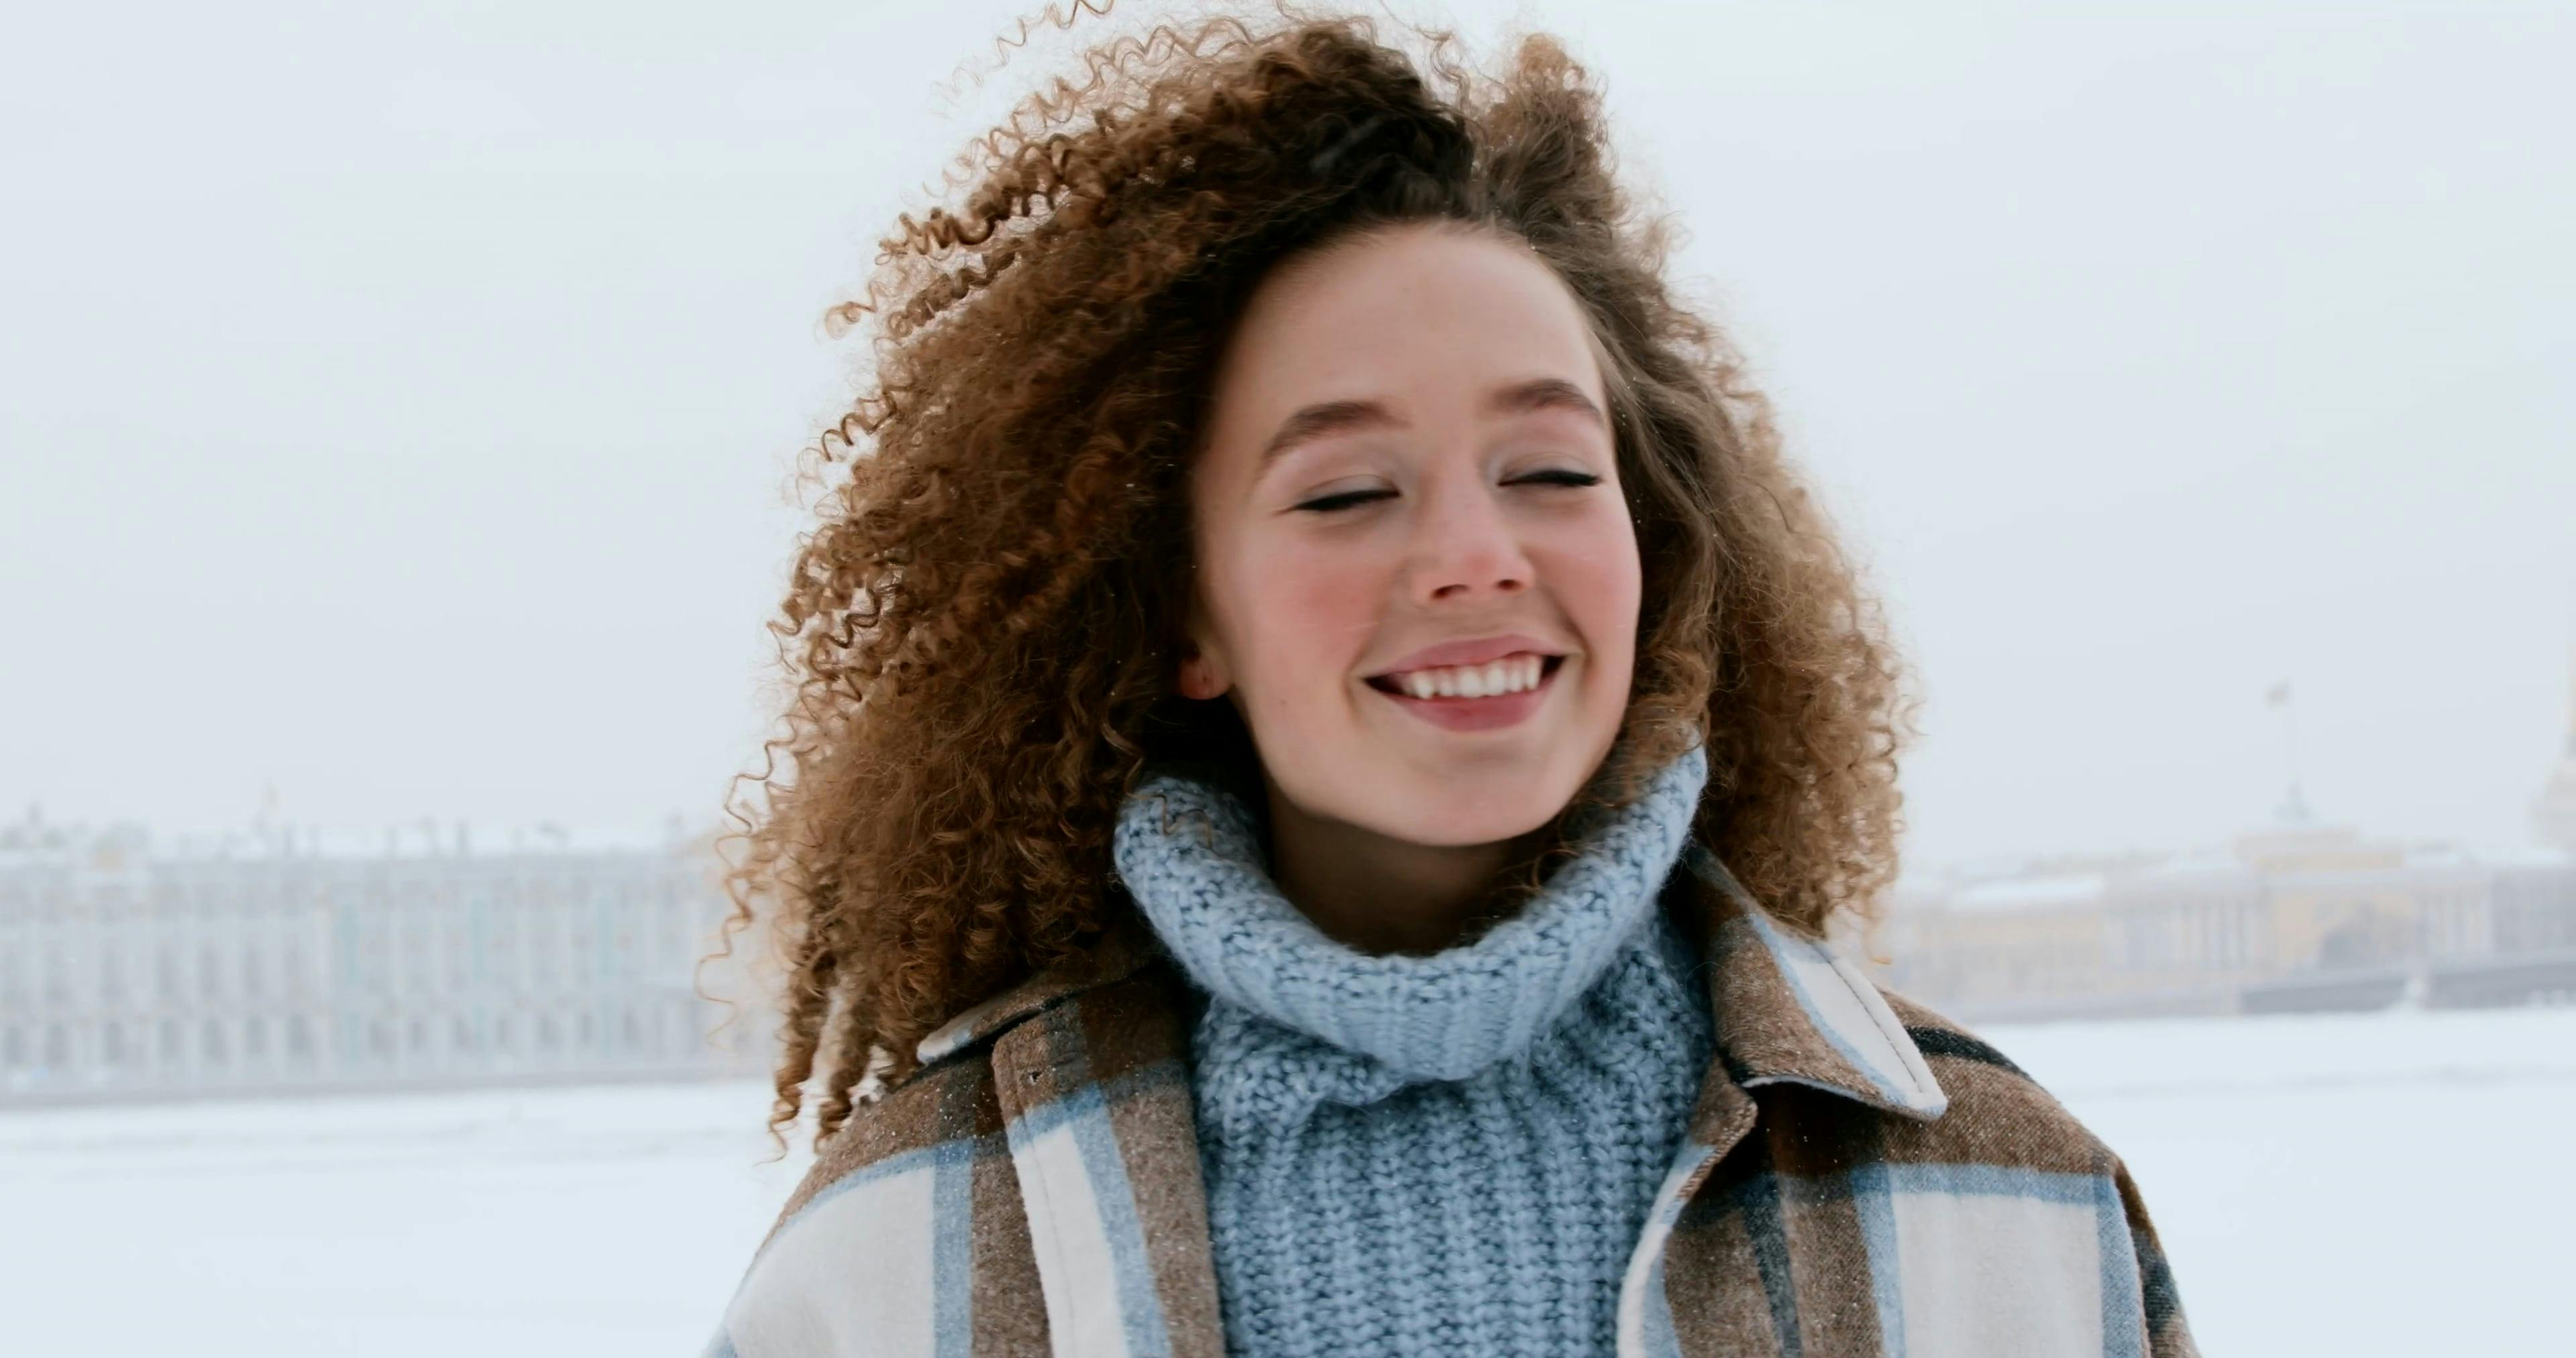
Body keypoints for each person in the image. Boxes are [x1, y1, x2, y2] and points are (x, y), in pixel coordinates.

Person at [704, 8, 2195, 1355]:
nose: (1477, 556)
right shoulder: (891, 1259)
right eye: (1348, 491)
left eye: (1549, 467)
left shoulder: (2011, 1194)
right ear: (1178, 612)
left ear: (1652, 545)